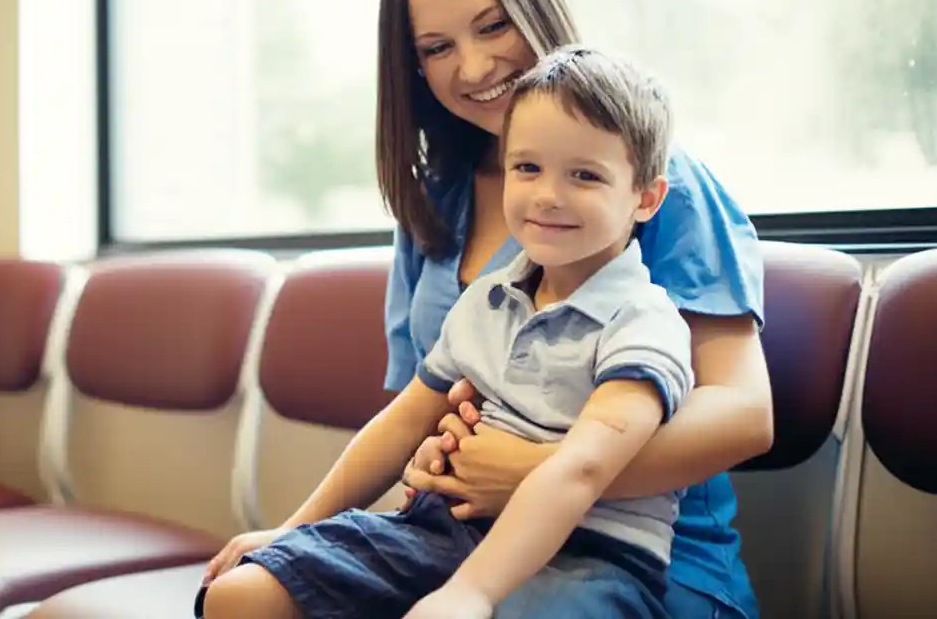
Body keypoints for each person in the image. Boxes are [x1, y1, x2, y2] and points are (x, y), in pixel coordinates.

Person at [198, 45, 694, 619]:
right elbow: (406, 419)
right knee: (241, 595)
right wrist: (290, 531)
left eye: (584, 175)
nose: (547, 194)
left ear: (646, 198)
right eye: (527, 167)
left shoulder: (644, 320)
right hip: (447, 528)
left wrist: (471, 592)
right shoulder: (487, 298)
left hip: (588, 558)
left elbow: (581, 468)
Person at [374, 0, 770, 618]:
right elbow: (416, 410)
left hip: (646, 564)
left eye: (494, 25)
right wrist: (429, 463)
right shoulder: (433, 205)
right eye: (436, 47)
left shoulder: (653, 186)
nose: (474, 65)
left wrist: (533, 473)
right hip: (464, 542)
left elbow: (743, 414)